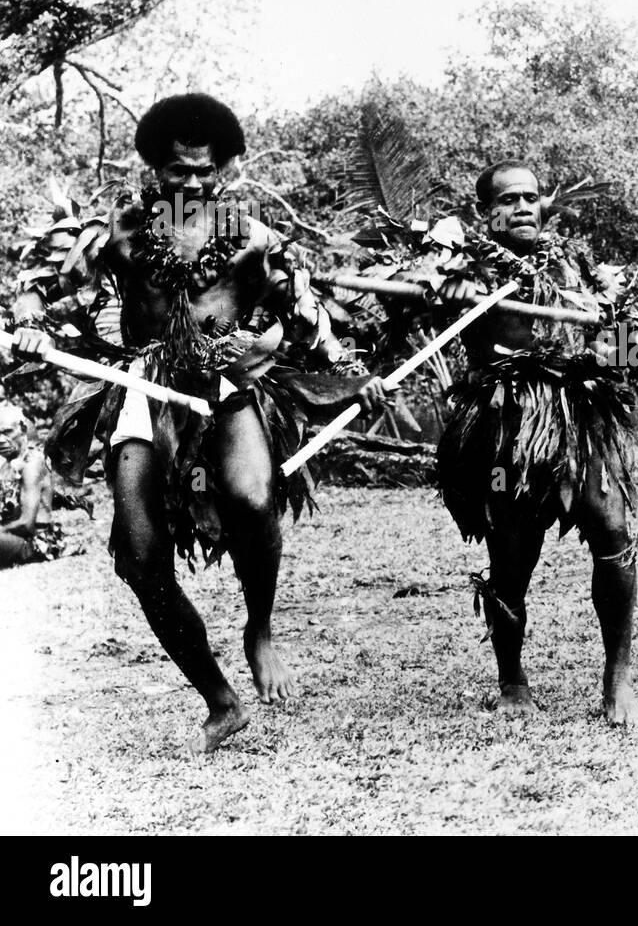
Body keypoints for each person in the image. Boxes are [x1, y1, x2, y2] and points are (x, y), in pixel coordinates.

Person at [8, 93, 392, 752]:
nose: (190, 183)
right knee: (138, 552)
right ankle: (219, 698)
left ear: (222, 170)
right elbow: (42, 283)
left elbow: (300, 307)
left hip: (225, 376)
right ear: (156, 169)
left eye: (203, 171)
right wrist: (27, 326)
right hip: (143, 385)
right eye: (177, 171)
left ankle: (259, 627)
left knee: (252, 495)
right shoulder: (119, 234)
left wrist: (346, 366)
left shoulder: (251, 236)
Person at [426, 161, 638, 724]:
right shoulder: (466, 269)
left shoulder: (572, 265)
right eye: (508, 200)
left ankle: (618, 679)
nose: (523, 206)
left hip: (578, 420)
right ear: (488, 212)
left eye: (531, 197)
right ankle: (511, 679)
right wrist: (443, 293)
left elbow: (617, 337)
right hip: (507, 429)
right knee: (512, 556)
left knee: (615, 532)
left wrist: (632, 337)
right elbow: (414, 308)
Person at [0, 402, 68, 566]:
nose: (1, 440)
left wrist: (2, 530)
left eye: (7, 432)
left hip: (36, 543)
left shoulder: (32, 466)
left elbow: (27, 524)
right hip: (15, 537)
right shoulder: (7, 464)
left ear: (23, 429)